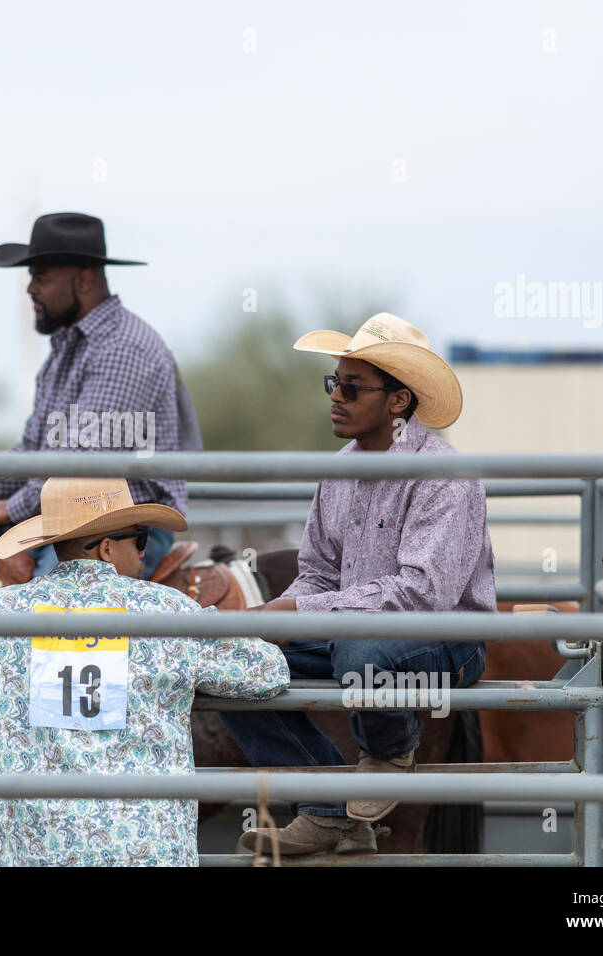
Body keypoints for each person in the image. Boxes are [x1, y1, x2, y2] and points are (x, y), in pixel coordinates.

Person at [0, 477, 288, 866]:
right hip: (152, 852)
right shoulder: (170, 612)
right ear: (106, 548)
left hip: (37, 852)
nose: (145, 550)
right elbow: (266, 671)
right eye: (139, 538)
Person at [226, 313, 496, 856]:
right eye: (334, 383)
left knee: (359, 645)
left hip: (444, 639)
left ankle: (390, 752)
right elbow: (318, 572)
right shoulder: (339, 471)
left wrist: (298, 614)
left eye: (352, 386)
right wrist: (280, 614)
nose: (336, 397)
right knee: (231, 660)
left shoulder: (443, 474)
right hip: (355, 634)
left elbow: (424, 594)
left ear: (398, 403)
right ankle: (327, 805)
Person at [0, 212, 201, 579]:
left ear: (83, 280)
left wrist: (13, 509)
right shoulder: (68, 350)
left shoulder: (124, 347)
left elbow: (86, 463)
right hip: (78, 520)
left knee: (40, 607)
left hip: (126, 528)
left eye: (41, 278)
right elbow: (33, 454)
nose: (31, 289)